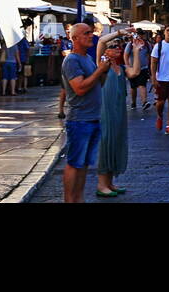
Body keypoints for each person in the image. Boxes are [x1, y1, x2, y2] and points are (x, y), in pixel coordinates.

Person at [60, 22, 114, 203]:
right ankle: (69, 200)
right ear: (74, 39)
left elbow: (98, 83)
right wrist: (100, 70)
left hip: (93, 118)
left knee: (83, 164)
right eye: (86, 33)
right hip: (80, 120)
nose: (91, 35)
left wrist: (105, 68)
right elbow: (79, 88)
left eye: (91, 32)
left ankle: (79, 199)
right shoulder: (72, 60)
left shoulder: (87, 59)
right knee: (74, 163)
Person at [96, 31, 138, 196]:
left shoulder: (121, 67)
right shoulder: (102, 66)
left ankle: (110, 182)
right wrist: (119, 32)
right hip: (106, 110)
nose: (117, 49)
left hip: (119, 110)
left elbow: (135, 72)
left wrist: (135, 50)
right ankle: (101, 185)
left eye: (118, 46)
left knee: (117, 141)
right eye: (113, 47)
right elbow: (100, 41)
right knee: (106, 142)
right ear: (106, 51)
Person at [125, 30, 152, 111]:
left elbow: (150, 54)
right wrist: (127, 66)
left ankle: (144, 102)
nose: (139, 36)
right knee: (133, 87)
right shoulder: (130, 44)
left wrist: (148, 63)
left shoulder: (147, 44)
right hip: (132, 68)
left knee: (142, 84)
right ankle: (133, 102)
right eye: (138, 35)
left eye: (141, 35)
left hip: (143, 68)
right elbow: (125, 55)